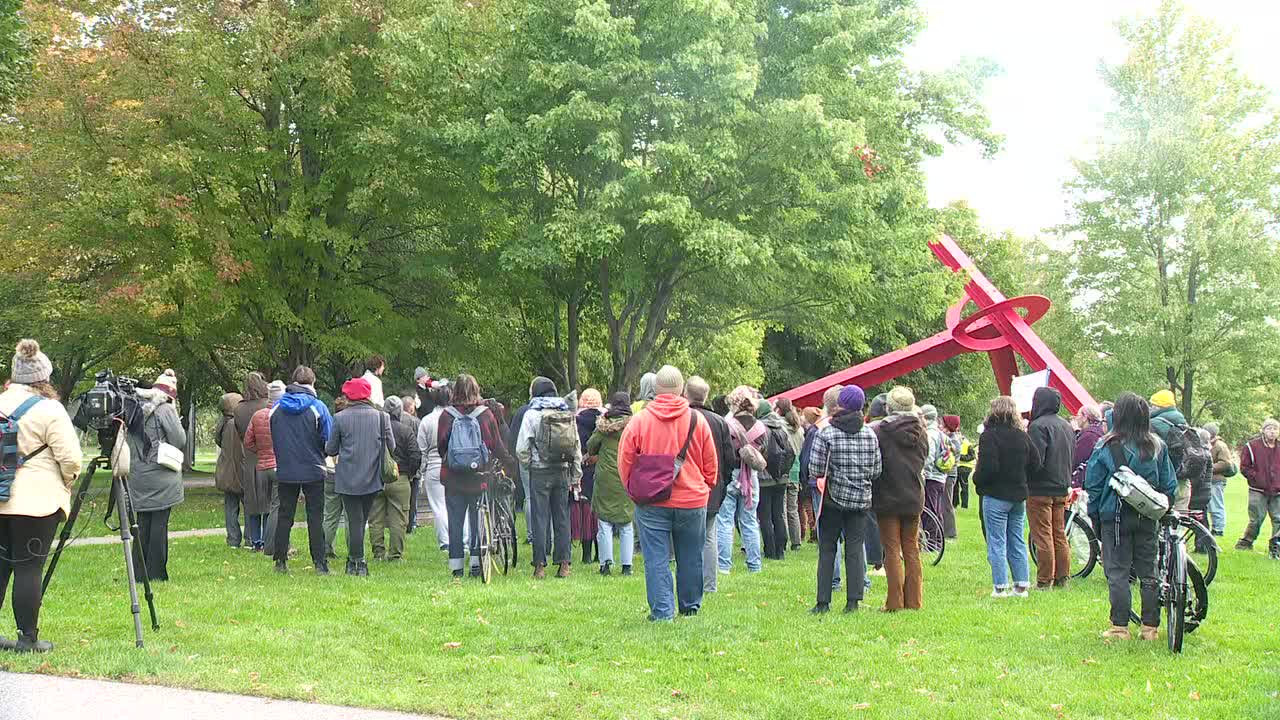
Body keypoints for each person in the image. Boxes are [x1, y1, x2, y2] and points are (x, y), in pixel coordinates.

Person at [0, 340, 83, 652]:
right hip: (36, 502)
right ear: (43, 377)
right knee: (28, 568)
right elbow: (71, 459)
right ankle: (27, 638)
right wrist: (67, 482)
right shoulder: (50, 410)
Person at [618, 365, 718, 621]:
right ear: (681, 389)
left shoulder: (640, 420)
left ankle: (662, 611)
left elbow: (625, 459)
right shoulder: (697, 420)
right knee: (691, 556)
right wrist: (704, 486)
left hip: (652, 500)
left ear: (656, 389)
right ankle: (690, 606)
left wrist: (632, 489)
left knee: (656, 558)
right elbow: (711, 464)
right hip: (692, 500)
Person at [1084, 392, 1176, 641]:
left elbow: (1093, 485)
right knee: (1149, 572)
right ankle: (1150, 627)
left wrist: (1095, 516)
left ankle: (1119, 627)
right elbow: (1169, 485)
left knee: (1118, 572)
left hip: (1114, 517)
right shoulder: (1157, 446)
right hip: (1147, 516)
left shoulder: (1105, 446)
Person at [807, 385, 880, 614]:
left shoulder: (826, 433)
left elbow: (816, 469)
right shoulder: (870, 434)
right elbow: (876, 470)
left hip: (833, 500)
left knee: (828, 549)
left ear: (840, 404)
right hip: (861, 500)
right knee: (855, 548)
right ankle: (853, 602)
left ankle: (823, 602)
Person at [439, 374, 515, 578]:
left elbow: (441, 446)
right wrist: (509, 463)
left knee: (455, 523)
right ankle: (475, 563)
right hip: (479, 477)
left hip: (453, 478)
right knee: (477, 522)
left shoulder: (447, 415)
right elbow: (496, 445)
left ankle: (456, 567)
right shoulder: (485, 415)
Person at [974, 396, 1040, 598]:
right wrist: (1022, 478)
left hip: (996, 495)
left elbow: (989, 467)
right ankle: (1021, 585)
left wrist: (977, 479)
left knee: (996, 541)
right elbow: (1036, 463)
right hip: (1018, 495)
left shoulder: (989, 436)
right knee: (1017, 539)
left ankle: (1000, 586)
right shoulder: (1022, 436)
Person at [270, 365, 333, 575]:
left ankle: (280, 561)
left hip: (285, 468)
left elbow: (274, 435)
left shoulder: (277, 408)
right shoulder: (318, 407)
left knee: (284, 514)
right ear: (313, 382)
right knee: (315, 517)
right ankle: (320, 563)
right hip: (313, 468)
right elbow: (328, 438)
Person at [327, 377, 393, 576]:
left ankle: (356, 561)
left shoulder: (340, 418)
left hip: (347, 477)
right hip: (372, 477)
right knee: (361, 519)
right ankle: (357, 561)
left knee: (355, 520)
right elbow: (392, 446)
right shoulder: (382, 417)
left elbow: (331, 449)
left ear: (348, 396)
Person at [516, 378, 582, 578]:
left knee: (540, 518)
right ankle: (564, 565)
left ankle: (539, 566)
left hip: (540, 471)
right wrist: (575, 475)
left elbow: (521, 448)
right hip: (562, 470)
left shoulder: (532, 414)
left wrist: (529, 464)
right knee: (562, 518)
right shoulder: (566, 412)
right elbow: (576, 447)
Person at [871, 386, 927, 611]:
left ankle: (894, 602)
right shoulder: (921, 431)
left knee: (892, 549)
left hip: (887, 495)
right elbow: (924, 459)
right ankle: (914, 601)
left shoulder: (879, 431)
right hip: (913, 494)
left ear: (889, 407)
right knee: (911, 548)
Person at [127, 370, 185, 582]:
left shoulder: (134, 408)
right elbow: (179, 440)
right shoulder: (166, 409)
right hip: (161, 475)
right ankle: (157, 572)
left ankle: (139, 572)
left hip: (138, 474)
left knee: (142, 525)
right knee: (159, 525)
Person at [686, 377, 731, 592]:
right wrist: (722, 482)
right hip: (712, 485)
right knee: (709, 536)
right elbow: (729, 458)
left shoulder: (683, 418)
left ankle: (690, 582)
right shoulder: (719, 422)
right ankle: (709, 584)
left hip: (687, 484)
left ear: (686, 394)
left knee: (687, 537)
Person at [1026, 386, 1074, 589]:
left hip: (1040, 488)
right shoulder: (1067, 426)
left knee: (1043, 535)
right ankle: (1063, 577)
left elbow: (1035, 459)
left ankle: (1045, 580)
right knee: (1059, 534)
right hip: (1062, 486)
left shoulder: (1037, 426)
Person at [717, 386, 766, 574]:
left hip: (731, 475)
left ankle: (723, 566)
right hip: (751, 477)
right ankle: (754, 565)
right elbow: (763, 452)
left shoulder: (727, 426)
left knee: (725, 521)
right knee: (750, 521)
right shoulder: (760, 427)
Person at [587, 392, 635, 576]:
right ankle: (627, 566)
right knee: (626, 523)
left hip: (606, 476)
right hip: (627, 475)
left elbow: (591, 446)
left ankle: (605, 564)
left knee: (604, 522)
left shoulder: (604, 425)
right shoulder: (635, 425)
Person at [368, 396, 419, 561]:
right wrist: (409, 474)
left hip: (376, 478)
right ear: (400, 412)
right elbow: (415, 456)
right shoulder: (406, 430)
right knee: (399, 519)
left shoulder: (374, 430)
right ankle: (395, 555)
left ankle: (378, 553)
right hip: (400, 478)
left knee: (375, 518)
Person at [243, 381, 283, 556]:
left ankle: (258, 542)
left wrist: (260, 451)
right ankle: (271, 543)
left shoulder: (257, 415)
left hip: (261, 466)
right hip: (278, 465)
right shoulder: (283, 415)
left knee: (263, 504)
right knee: (275, 506)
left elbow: (248, 441)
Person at [235, 373, 271, 552]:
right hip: (267, 454)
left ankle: (255, 540)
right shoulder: (267, 405)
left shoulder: (238, 409)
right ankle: (267, 538)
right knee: (268, 500)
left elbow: (241, 434)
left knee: (252, 501)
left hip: (249, 457)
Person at [1236, 418, 1280, 556]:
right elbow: (1244, 467)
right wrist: (1257, 478)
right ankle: (1246, 542)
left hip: (1277, 491)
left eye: (1275, 429)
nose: (1272, 432)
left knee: (1278, 519)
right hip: (1258, 490)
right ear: (1263, 430)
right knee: (1256, 519)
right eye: (1269, 428)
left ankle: (1276, 547)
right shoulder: (1252, 446)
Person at [417, 381, 453, 550]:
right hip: (453, 465)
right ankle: (462, 539)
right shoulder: (455, 418)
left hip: (434, 465)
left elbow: (421, 448)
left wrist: (422, 470)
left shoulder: (427, 420)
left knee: (439, 506)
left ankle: (445, 541)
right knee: (456, 504)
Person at [757, 399, 792, 561]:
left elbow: (758, 451)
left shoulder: (760, 428)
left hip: (765, 478)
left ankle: (770, 550)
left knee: (765, 516)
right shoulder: (783, 427)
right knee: (778, 514)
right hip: (782, 477)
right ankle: (781, 549)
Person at [574, 389, 603, 565]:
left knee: (586, 512)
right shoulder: (604, 420)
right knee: (600, 512)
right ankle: (600, 552)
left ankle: (586, 554)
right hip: (600, 468)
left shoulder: (576, 420)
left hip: (582, 467)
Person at [213, 392, 245, 548]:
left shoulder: (223, 424)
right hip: (242, 469)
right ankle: (250, 538)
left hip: (226, 471)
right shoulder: (241, 422)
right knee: (248, 506)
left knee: (230, 507)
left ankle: (233, 539)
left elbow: (218, 440)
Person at [776, 398, 805, 552]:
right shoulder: (799, 430)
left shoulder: (779, 427)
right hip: (795, 470)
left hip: (783, 470)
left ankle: (784, 540)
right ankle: (796, 541)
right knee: (793, 509)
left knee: (782, 509)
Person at [920, 405, 949, 549]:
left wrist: (923, 471)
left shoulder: (930, 434)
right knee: (937, 510)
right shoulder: (941, 434)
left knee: (929, 511)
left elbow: (929, 457)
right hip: (941, 477)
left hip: (931, 477)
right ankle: (938, 541)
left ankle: (931, 544)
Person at [797, 407, 822, 543]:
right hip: (815, 476)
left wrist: (803, 476)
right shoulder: (816, 430)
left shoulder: (812, 432)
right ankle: (814, 531)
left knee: (809, 505)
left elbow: (806, 456)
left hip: (810, 476)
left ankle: (814, 531)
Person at [1204, 422, 1232, 538]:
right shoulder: (1206, 444)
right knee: (1208, 506)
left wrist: (1208, 467)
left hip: (1216, 480)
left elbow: (1226, 463)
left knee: (1216, 505)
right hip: (1208, 480)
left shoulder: (1220, 446)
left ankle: (1218, 529)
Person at [399, 394, 420, 533]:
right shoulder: (416, 422)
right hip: (413, 465)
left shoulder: (393, 420)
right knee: (412, 498)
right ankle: (410, 525)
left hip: (398, 466)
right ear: (411, 408)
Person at [1072, 405, 1106, 489]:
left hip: (1081, 481)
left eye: (1078, 415)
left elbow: (1077, 458)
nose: (1076, 418)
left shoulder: (1089, 435)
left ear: (1085, 417)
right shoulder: (1098, 431)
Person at [940, 414, 962, 537]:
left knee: (947, 503)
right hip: (948, 474)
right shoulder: (951, 438)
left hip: (949, 475)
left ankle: (950, 532)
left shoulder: (953, 440)